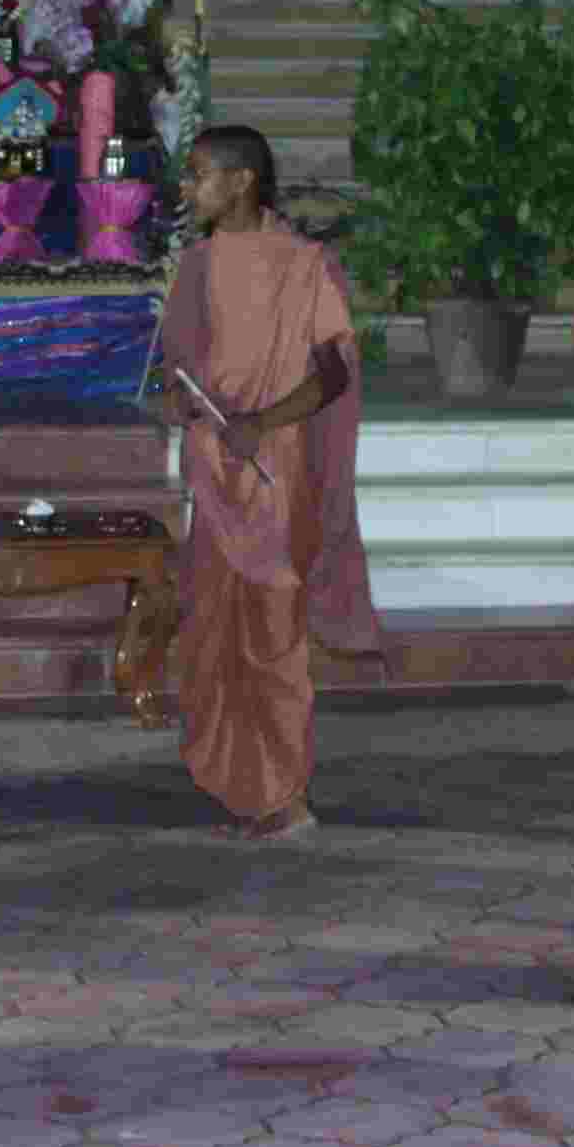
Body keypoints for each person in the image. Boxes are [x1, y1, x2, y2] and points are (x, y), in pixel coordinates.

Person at [148, 124, 377, 839]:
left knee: (274, 638)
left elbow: (333, 371)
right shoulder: (196, 264)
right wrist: (178, 396)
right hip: (217, 469)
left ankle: (287, 796)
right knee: (215, 629)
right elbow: (179, 364)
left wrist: (264, 419)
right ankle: (244, 789)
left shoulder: (304, 264)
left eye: (199, 174)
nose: (187, 188)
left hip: (276, 469)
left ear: (242, 180)